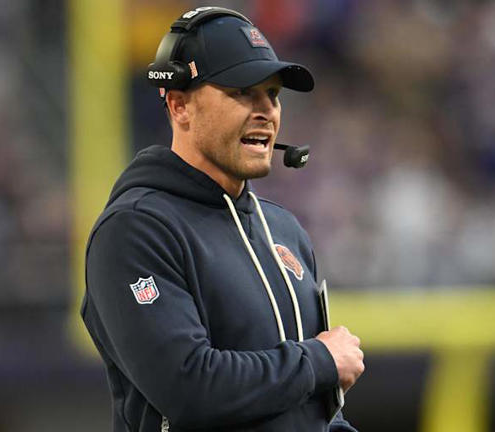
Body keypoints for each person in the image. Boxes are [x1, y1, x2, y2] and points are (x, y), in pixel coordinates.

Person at [81, 7, 364, 432]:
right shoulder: (136, 231)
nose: (266, 110)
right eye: (242, 92)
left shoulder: (284, 230)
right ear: (179, 106)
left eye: (272, 94)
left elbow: (311, 412)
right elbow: (188, 387)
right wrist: (319, 360)